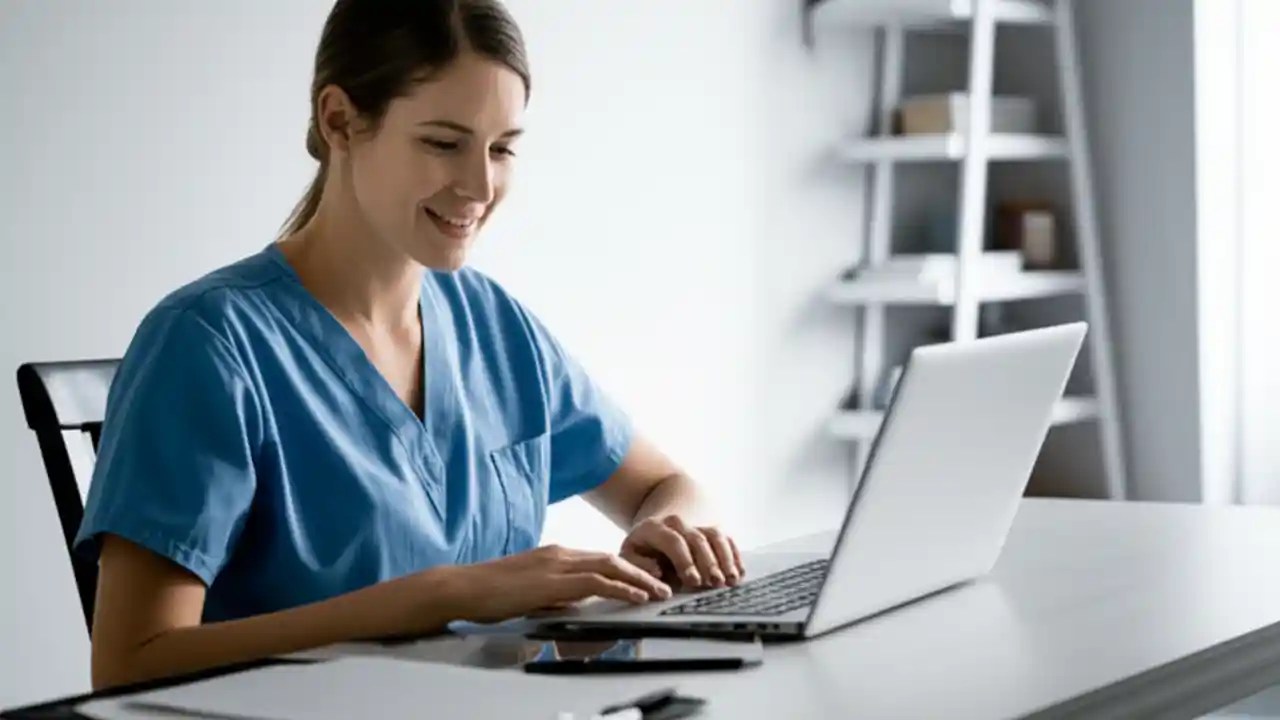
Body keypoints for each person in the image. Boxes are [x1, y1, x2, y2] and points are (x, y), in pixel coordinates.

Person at [74, 0, 744, 690]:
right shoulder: (209, 345)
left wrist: (665, 538)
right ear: (340, 120)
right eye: (443, 143)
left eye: (503, 147)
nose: (481, 186)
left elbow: (670, 486)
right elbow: (130, 663)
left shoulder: (493, 324)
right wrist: (437, 598)